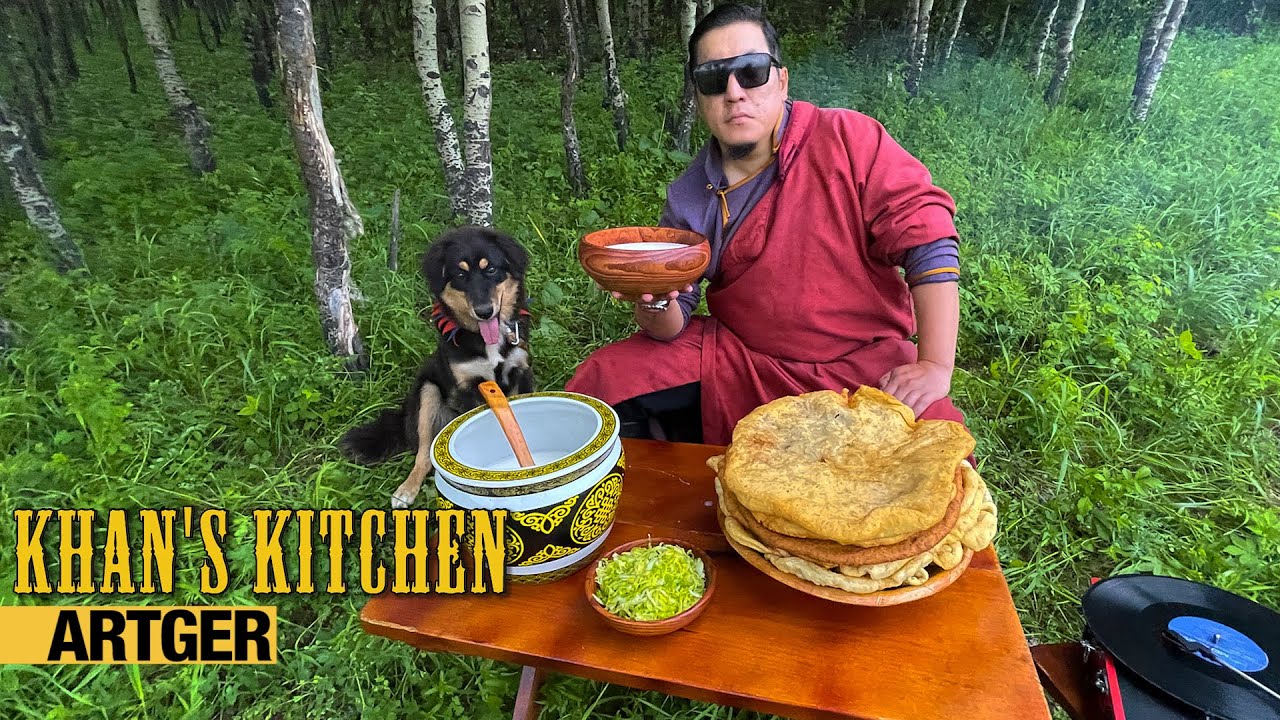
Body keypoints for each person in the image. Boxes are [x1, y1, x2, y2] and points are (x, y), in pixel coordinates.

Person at [566, 3, 967, 445]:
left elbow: (928, 240)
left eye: (751, 71)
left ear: (782, 79)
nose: (734, 92)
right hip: (743, 362)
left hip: (862, 367)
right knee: (608, 379)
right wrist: (655, 301)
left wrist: (934, 365)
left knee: (942, 455)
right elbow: (677, 315)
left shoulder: (847, 139)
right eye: (713, 79)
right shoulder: (689, 195)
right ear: (698, 97)